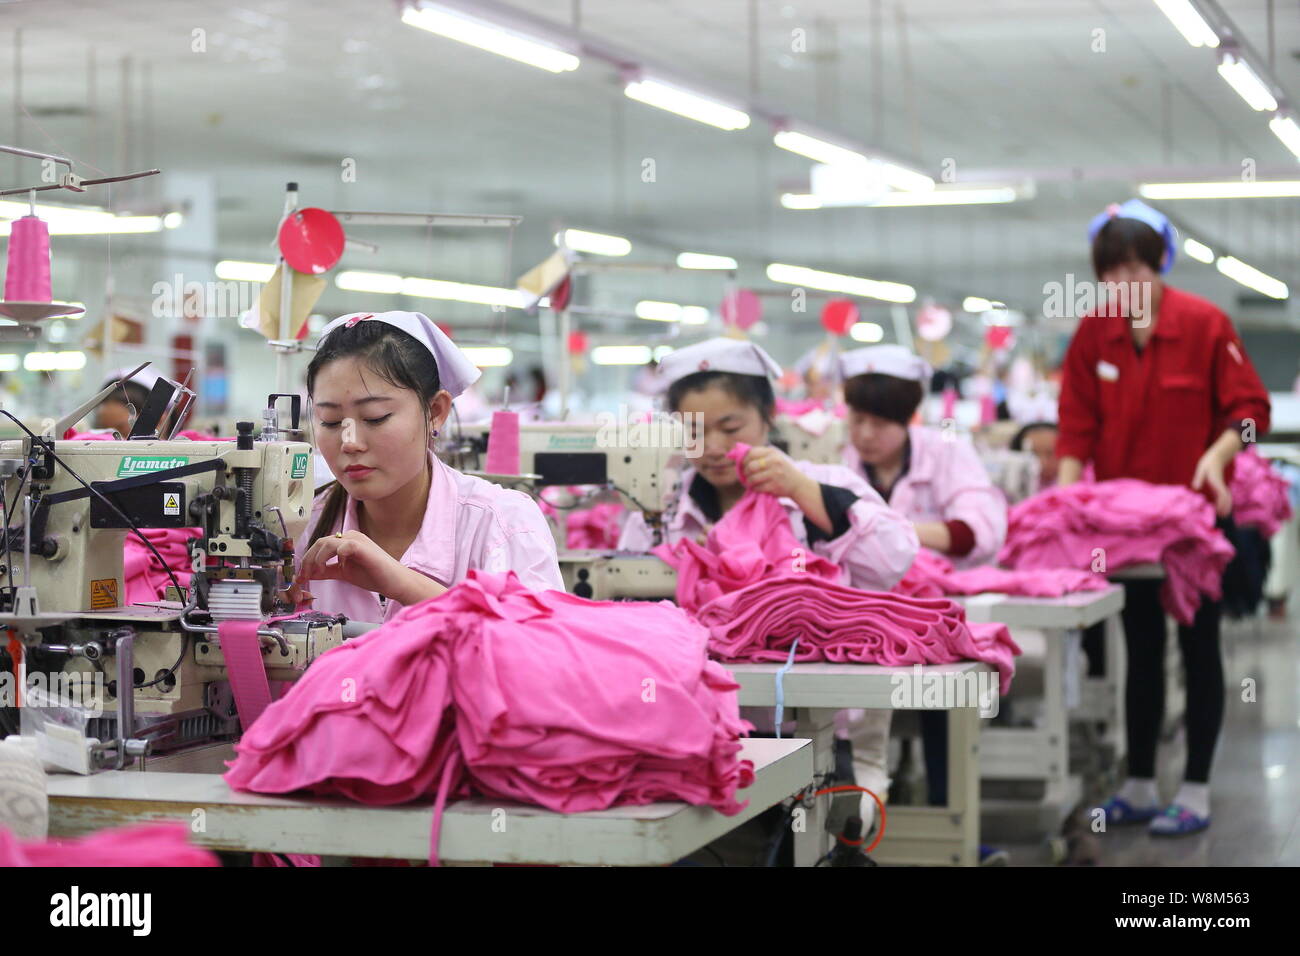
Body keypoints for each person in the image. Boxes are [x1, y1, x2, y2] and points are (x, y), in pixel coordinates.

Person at [618, 336, 918, 849]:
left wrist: (803, 491)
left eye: (730, 427)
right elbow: (619, 607)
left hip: (814, 732)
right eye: (694, 431)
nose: (712, 446)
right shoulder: (660, 508)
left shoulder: (823, 484)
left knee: (779, 842)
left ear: (767, 416)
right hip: (693, 732)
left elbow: (895, 560)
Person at [1058, 199, 1271, 836]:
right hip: (1126, 529)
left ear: (1160, 266)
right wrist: (1065, 502)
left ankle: (1198, 789)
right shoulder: (1094, 334)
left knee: (1199, 646)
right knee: (1141, 650)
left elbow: (1251, 413)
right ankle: (1141, 782)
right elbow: (1075, 427)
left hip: (1196, 524)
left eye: (1136, 271)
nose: (1124, 286)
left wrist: (1218, 454)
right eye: (1111, 274)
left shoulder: (1206, 326)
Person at [839, 344, 1010, 865]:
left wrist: (894, 533)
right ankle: (847, 826)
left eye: (879, 423)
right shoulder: (839, 462)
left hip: (933, 616)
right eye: (858, 420)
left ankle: (949, 822)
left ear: (908, 418)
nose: (865, 434)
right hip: (866, 617)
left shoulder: (946, 453)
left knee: (940, 698)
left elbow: (983, 531)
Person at [294, 311, 563, 624]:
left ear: (435, 411)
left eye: (375, 417)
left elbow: (537, 654)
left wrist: (405, 584)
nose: (349, 442)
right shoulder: (303, 527)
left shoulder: (502, 526)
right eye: (330, 421)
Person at [1010, 421, 1060, 489]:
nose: (1042, 463)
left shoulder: (1074, 486)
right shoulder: (1007, 490)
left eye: (1050, 453)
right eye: (1033, 454)